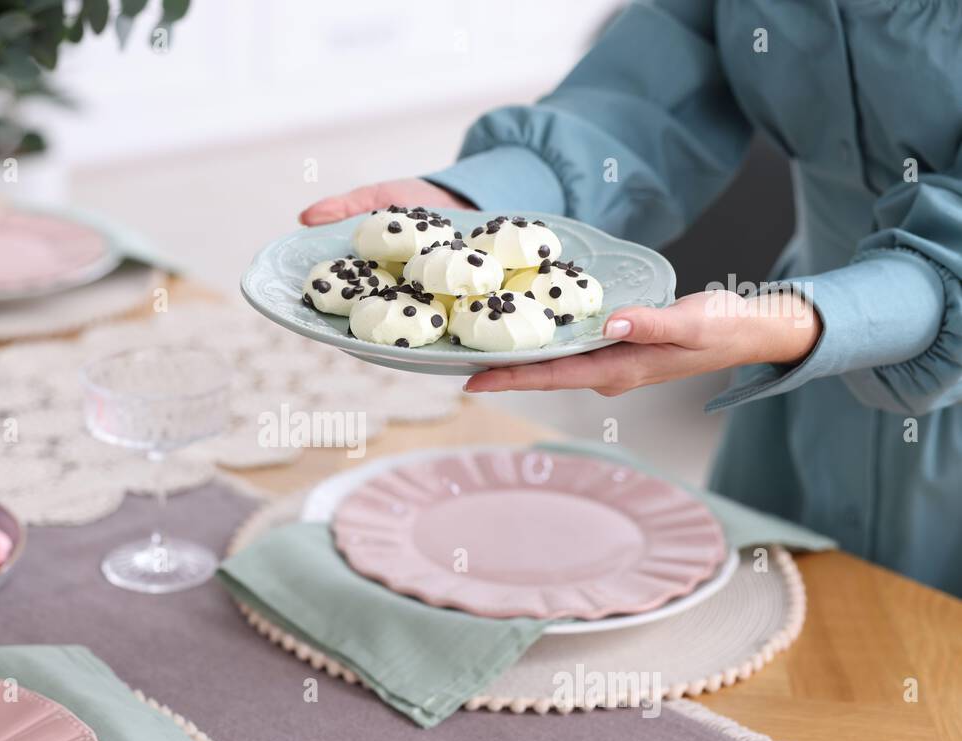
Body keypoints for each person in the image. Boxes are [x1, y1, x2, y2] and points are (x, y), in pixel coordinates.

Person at [300, 0, 962, 597]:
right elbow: (656, 92)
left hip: (864, 367)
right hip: (800, 395)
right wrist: (474, 205)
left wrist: (796, 322)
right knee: (761, 676)